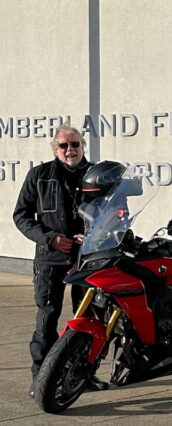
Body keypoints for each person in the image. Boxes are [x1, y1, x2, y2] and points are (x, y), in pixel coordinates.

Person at [13, 124, 93, 397]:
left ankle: (83, 374)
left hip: (88, 259)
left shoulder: (96, 174)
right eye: (64, 146)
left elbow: (115, 211)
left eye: (75, 145)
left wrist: (93, 235)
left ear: (83, 146)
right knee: (47, 317)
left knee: (88, 320)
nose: (70, 150)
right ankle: (40, 379)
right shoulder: (39, 175)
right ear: (55, 149)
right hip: (51, 259)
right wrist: (49, 238)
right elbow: (21, 216)